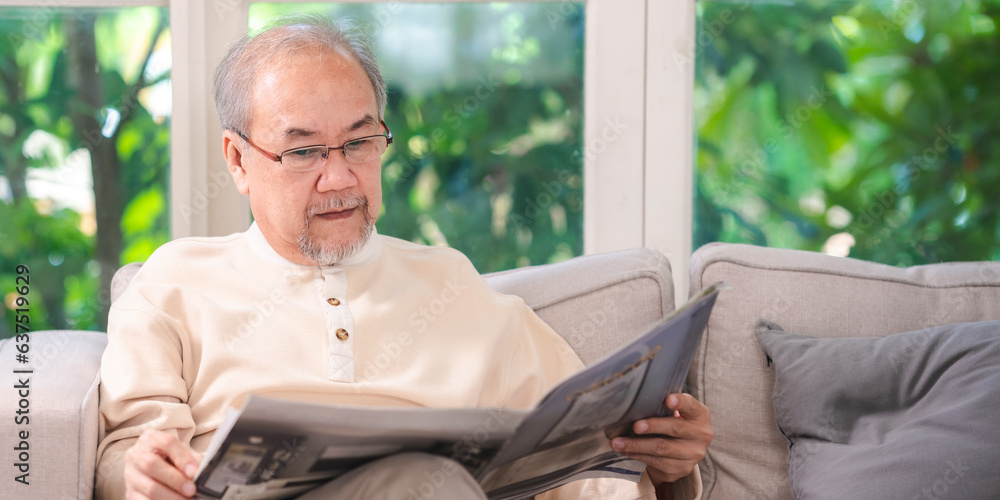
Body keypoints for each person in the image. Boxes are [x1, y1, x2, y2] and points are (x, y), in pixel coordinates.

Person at [95, 15, 712, 500]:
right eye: (305, 151)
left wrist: (666, 463)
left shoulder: (451, 283)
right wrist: (143, 477)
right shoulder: (176, 281)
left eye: (360, 142)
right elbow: (124, 453)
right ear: (238, 161)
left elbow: (582, 466)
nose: (340, 178)